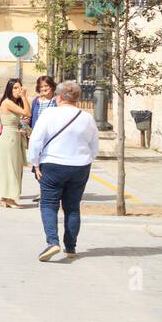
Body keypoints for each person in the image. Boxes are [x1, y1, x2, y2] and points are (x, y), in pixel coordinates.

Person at [27, 80, 99, 261]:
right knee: (72, 208)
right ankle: (71, 247)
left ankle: (53, 242)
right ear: (77, 98)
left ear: (58, 97)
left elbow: (36, 141)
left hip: (52, 165)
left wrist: (35, 163)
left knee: (49, 204)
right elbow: (94, 147)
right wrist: (85, 159)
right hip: (80, 166)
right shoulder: (87, 117)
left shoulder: (49, 114)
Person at [0, 78, 29, 209]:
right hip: (9, 138)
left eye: (19, 87)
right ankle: (8, 198)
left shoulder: (14, 102)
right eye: (15, 88)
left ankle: (4, 197)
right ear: (9, 89)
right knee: (11, 169)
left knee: (14, 168)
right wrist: (24, 96)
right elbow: (27, 113)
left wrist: (23, 98)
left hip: (13, 137)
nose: (18, 90)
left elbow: (26, 113)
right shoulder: (7, 102)